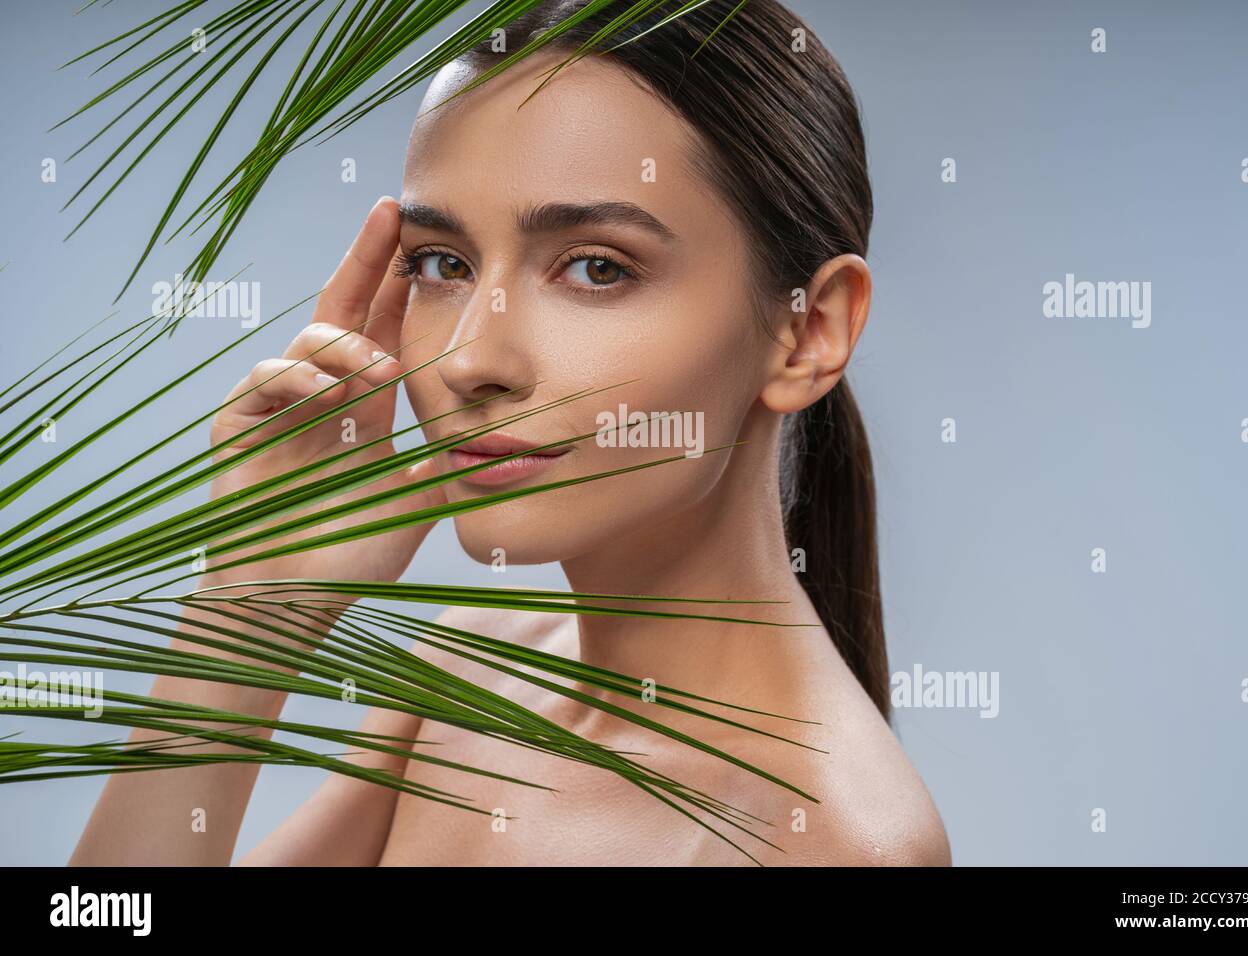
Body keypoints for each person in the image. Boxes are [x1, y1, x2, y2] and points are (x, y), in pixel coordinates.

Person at [72, 0, 950, 866]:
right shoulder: (479, 666)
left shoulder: (821, 844)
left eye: (596, 268)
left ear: (810, 329)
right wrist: (251, 610)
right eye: (442, 265)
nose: (468, 358)